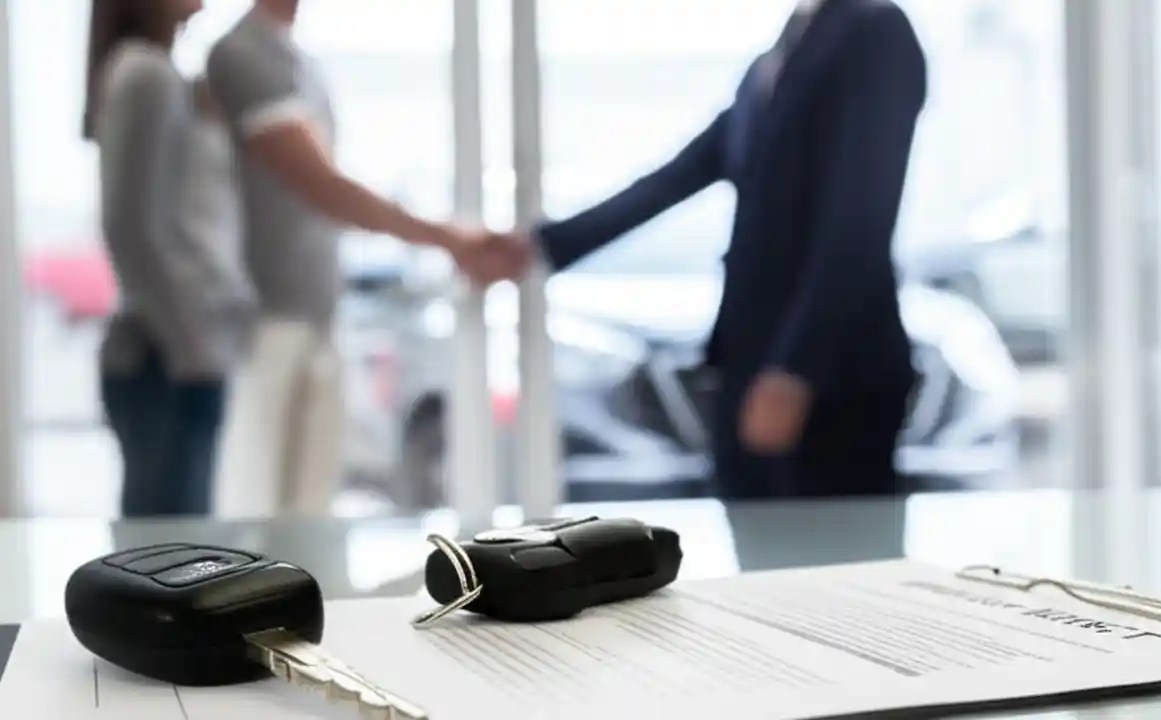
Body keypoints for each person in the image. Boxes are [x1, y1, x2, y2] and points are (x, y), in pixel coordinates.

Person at [530, 0, 927, 498]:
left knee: (834, 564)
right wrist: (540, 246)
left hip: (830, 378)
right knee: (759, 561)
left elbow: (857, 223)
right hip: (750, 363)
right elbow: (677, 177)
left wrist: (795, 373)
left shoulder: (874, 31)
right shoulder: (785, 48)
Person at [206, 0, 522, 516]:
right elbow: (320, 184)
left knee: (306, 507)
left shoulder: (294, 57)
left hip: (315, 305)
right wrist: (445, 238)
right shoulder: (242, 53)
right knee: (255, 505)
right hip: (267, 313)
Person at [86, 0, 257, 517]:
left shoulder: (164, 75)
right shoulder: (145, 74)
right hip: (166, 359)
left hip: (178, 353)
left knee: (176, 548)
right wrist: (191, 344)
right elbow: (129, 226)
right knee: (167, 558)